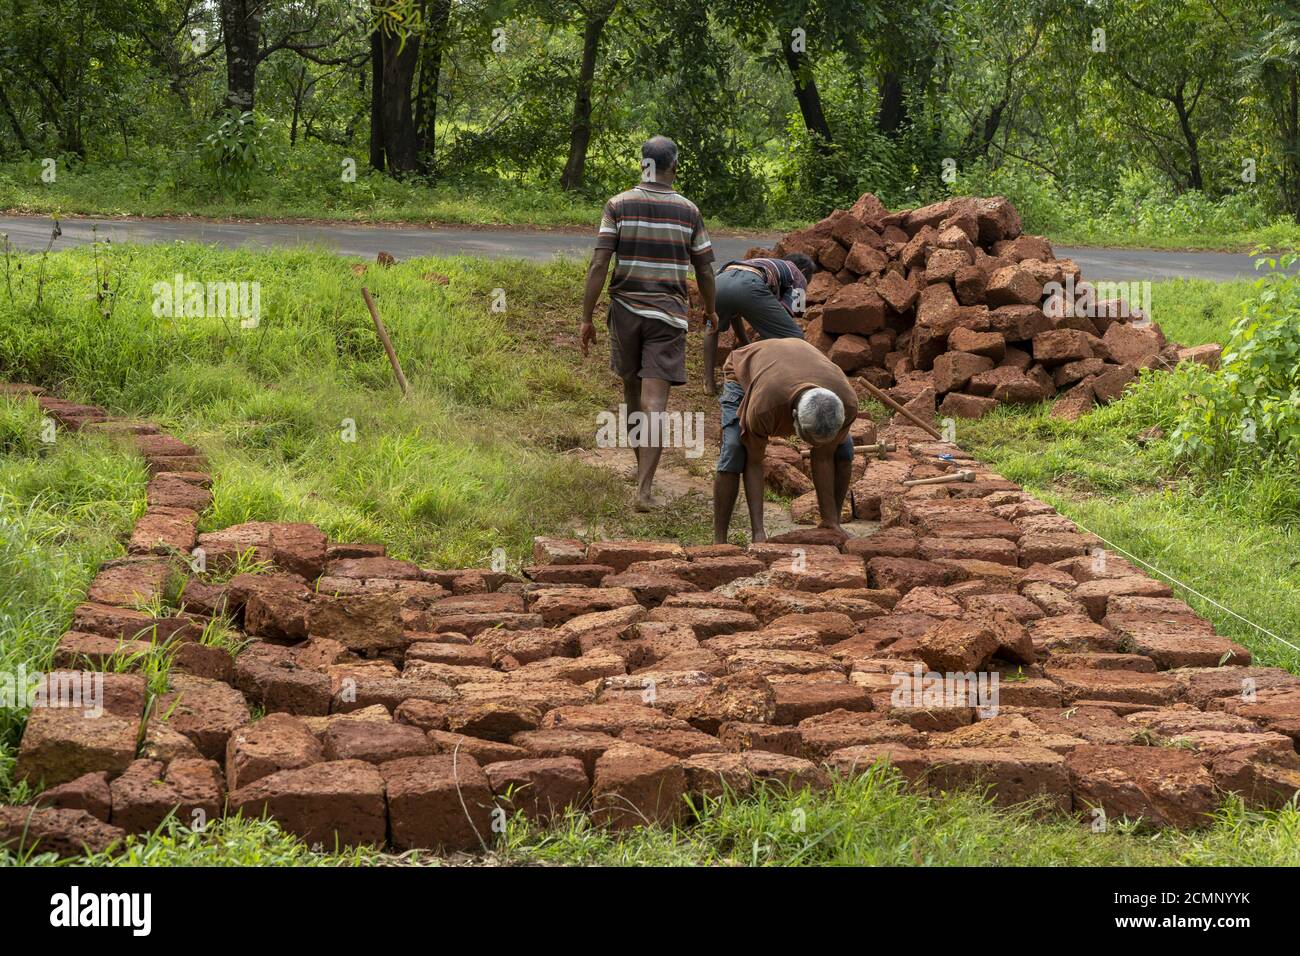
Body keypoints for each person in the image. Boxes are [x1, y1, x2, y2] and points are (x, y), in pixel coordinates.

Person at [579, 135, 718, 511]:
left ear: (643, 165)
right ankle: (644, 489)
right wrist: (710, 308)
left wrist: (587, 317)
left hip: (624, 313)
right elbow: (705, 268)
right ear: (673, 167)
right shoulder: (689, 212)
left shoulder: (618, 205)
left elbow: (598, 264)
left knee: (632, 396)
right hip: (667, 318)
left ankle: (642, 473)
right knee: (654, 401)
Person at [714, 337, 858, 544]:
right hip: (745, 369)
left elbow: (824, 456)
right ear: (793, 416)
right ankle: (720, 541)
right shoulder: (765, 407)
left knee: (843, 452)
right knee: (735, 450)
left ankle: (831, 522)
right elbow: (754, 462)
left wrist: (831, 523)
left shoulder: (848, 402)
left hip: (796, 361)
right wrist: (759, 535)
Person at [704, 253, 816, 395]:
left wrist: (746, 343)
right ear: (805, 272)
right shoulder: (798, 275)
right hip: (749, 284)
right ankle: (780, 383)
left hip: (719, 280)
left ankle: (709, 384)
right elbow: (791, 314)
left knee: (712, 328)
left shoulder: (764, 263)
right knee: (794, 336)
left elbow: (735, 314)